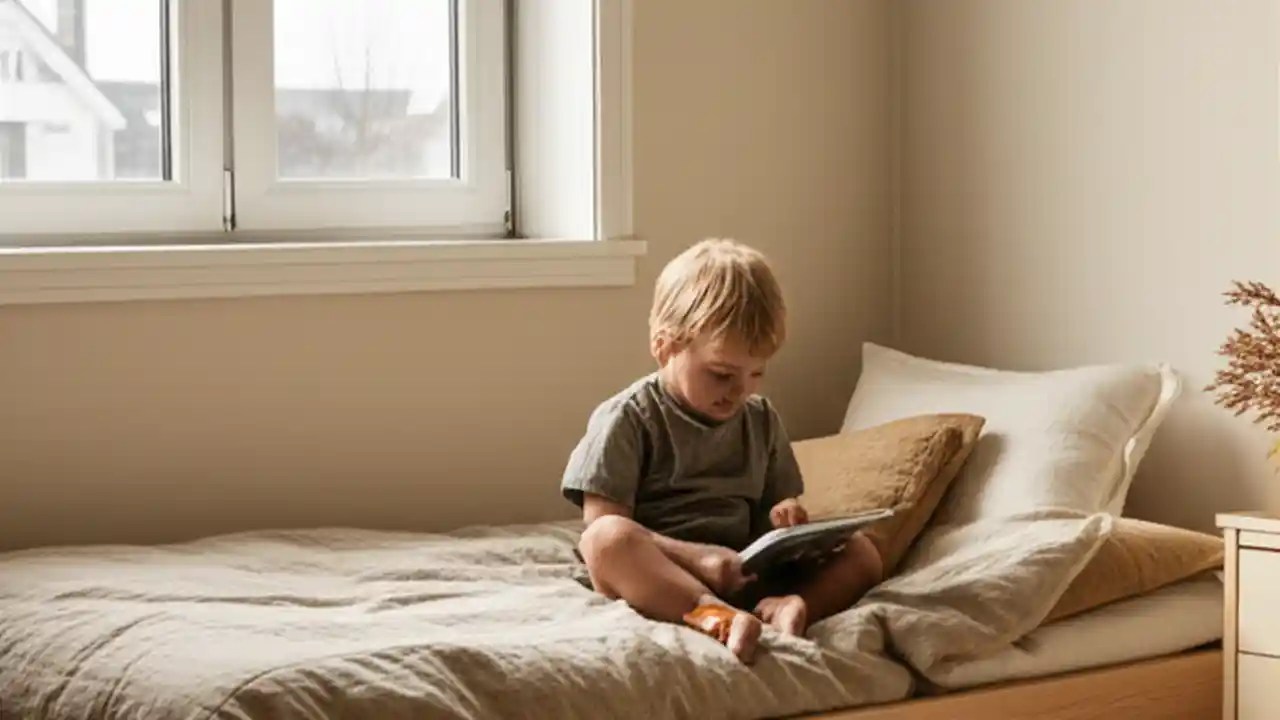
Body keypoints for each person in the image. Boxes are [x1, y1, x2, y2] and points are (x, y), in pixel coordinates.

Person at [561, 238, 883, 663]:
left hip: (745, 571)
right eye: (721, 374)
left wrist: (785, 516)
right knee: (605, 543)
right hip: (665, 573)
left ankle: (788, 606)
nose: (740, 391)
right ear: (665, 346)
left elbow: (774, 506)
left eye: (756, 373)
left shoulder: (761, 419)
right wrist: (697, 559)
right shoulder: (628, 418)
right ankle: (716, 618)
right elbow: (601, 525)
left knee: (863, 552)